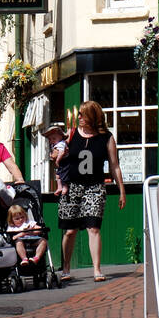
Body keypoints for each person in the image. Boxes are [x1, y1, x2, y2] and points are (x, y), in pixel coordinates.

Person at [57, 100, 126, 282]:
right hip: (71, 187)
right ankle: (65, 268)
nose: (79, 117)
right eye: (78, 114)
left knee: (93, 228)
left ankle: (96, 269)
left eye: (82, 114)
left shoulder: (106, 137)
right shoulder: (71, 135)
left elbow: (115, 166)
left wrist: (122, 191)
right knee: (70, 231)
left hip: (94, 186)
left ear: (92, 117)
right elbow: (56, 156)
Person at [6, 202, 48, 266]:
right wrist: (21, 234)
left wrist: (29, 231)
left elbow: (39, 229)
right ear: (11, 220)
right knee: (18, 242)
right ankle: (24, 258)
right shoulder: (12, 228)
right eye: (17, 219)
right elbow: (13, 238)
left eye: (22, 217)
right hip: (22, 243)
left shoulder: (29, 223)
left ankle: (37, 257)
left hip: (33, 241)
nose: (20, 220)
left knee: (43, 241)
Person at [41, 122, 70, 196]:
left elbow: (61, 152)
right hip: (61, 163)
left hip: (65, 162)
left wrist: (57, 160)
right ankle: (59, 187)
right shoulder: (55, 145)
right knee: (58, 176)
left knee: (64, 175)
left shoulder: (61, 144)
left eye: (54, 138)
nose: (52, 140)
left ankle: (65, 187)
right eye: (50, 139)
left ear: (61, 137)